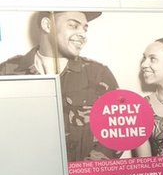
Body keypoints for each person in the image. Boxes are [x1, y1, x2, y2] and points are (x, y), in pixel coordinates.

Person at [0, 11, 119, 162]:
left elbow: (118, 132)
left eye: (84, 29)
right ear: (47, 25)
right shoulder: (6, 71)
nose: (82, 34)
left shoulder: (98, 73)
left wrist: (85, 171)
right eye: (73, 25)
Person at [133, 31, 163, 157]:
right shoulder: (140, 108)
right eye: (144, 58)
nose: (144, 65)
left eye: (152, 59)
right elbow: (145, 165)